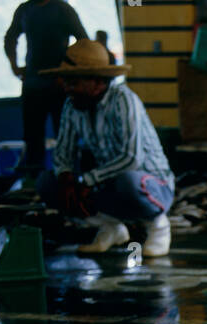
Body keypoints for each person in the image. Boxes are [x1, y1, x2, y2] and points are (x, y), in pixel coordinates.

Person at [37, 39, 175, 256]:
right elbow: (62, 153)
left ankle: (159, 226)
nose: (67, 88)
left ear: (97, 82)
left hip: (152, 186)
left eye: (74, 82)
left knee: (128, 180)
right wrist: (65, 177)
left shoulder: (124, 100)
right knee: (47, 183)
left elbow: (132, 159)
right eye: (66, 81)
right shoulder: (71, 106)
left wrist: (86, 180)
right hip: (108, 183)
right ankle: (111, 228)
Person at [5, 0, 88, 172]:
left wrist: (65, 69)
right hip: (33, 83)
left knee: (65, 134)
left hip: (60, 84)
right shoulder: (25, 9)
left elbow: (83, 41)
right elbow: (10, 37)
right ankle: (35, 182)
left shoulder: (63, 9)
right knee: (32, 136)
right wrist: (14, 65)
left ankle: (70, 177)